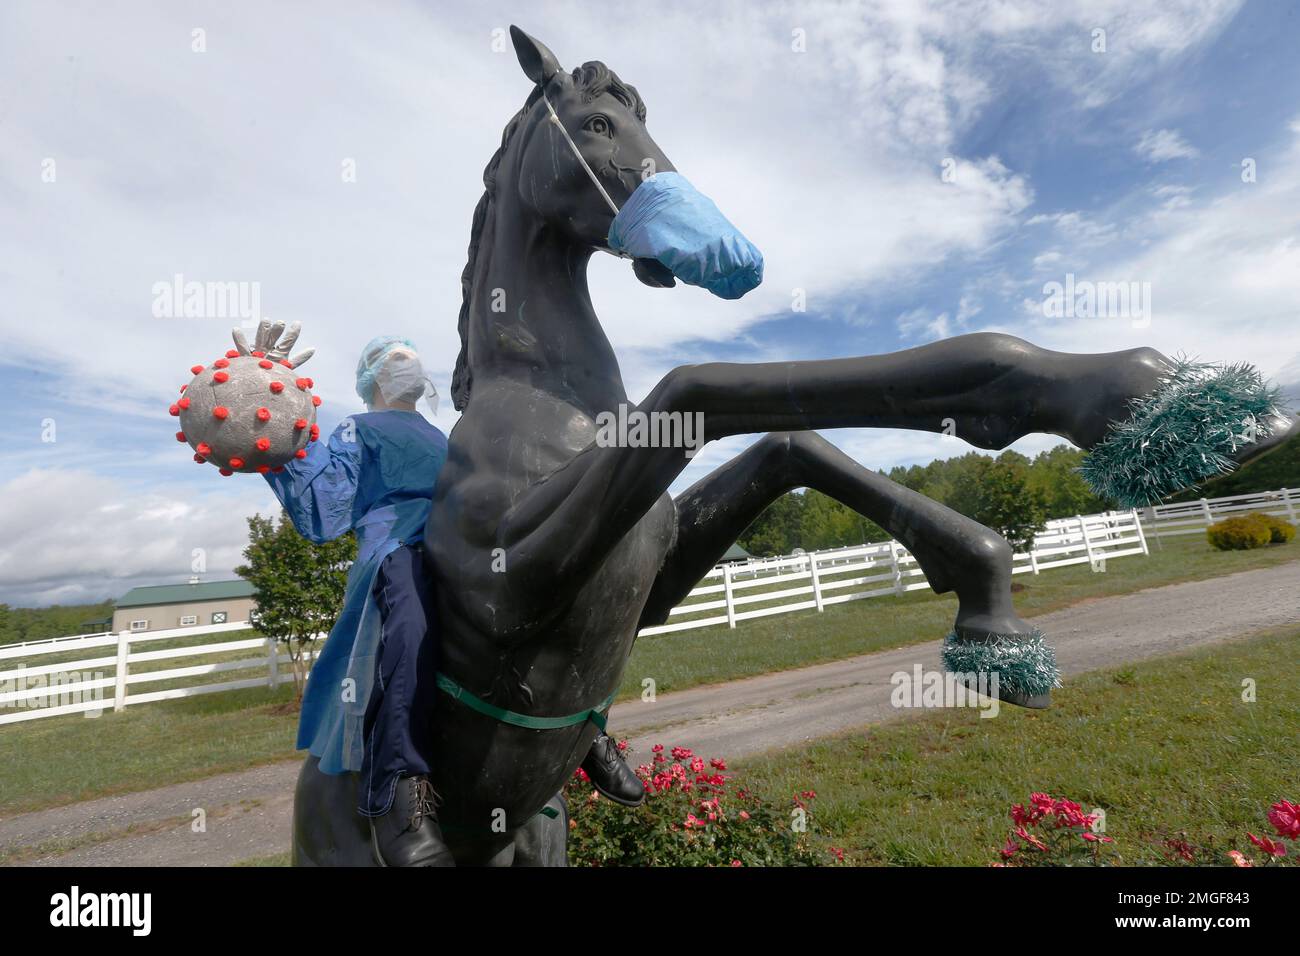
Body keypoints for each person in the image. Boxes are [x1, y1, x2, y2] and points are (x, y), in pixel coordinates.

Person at [265, 334, 642, 866]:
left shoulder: (443, 435)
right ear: (372, 374)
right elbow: (323, 505)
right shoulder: (358, 429)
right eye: (396, 358)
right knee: (411, 626)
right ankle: (398, 788)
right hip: (400, 549)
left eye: (412, 357)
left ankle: (587, 738)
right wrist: (274, 403)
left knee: (555, 604)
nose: (410, 364)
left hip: (463, 545)